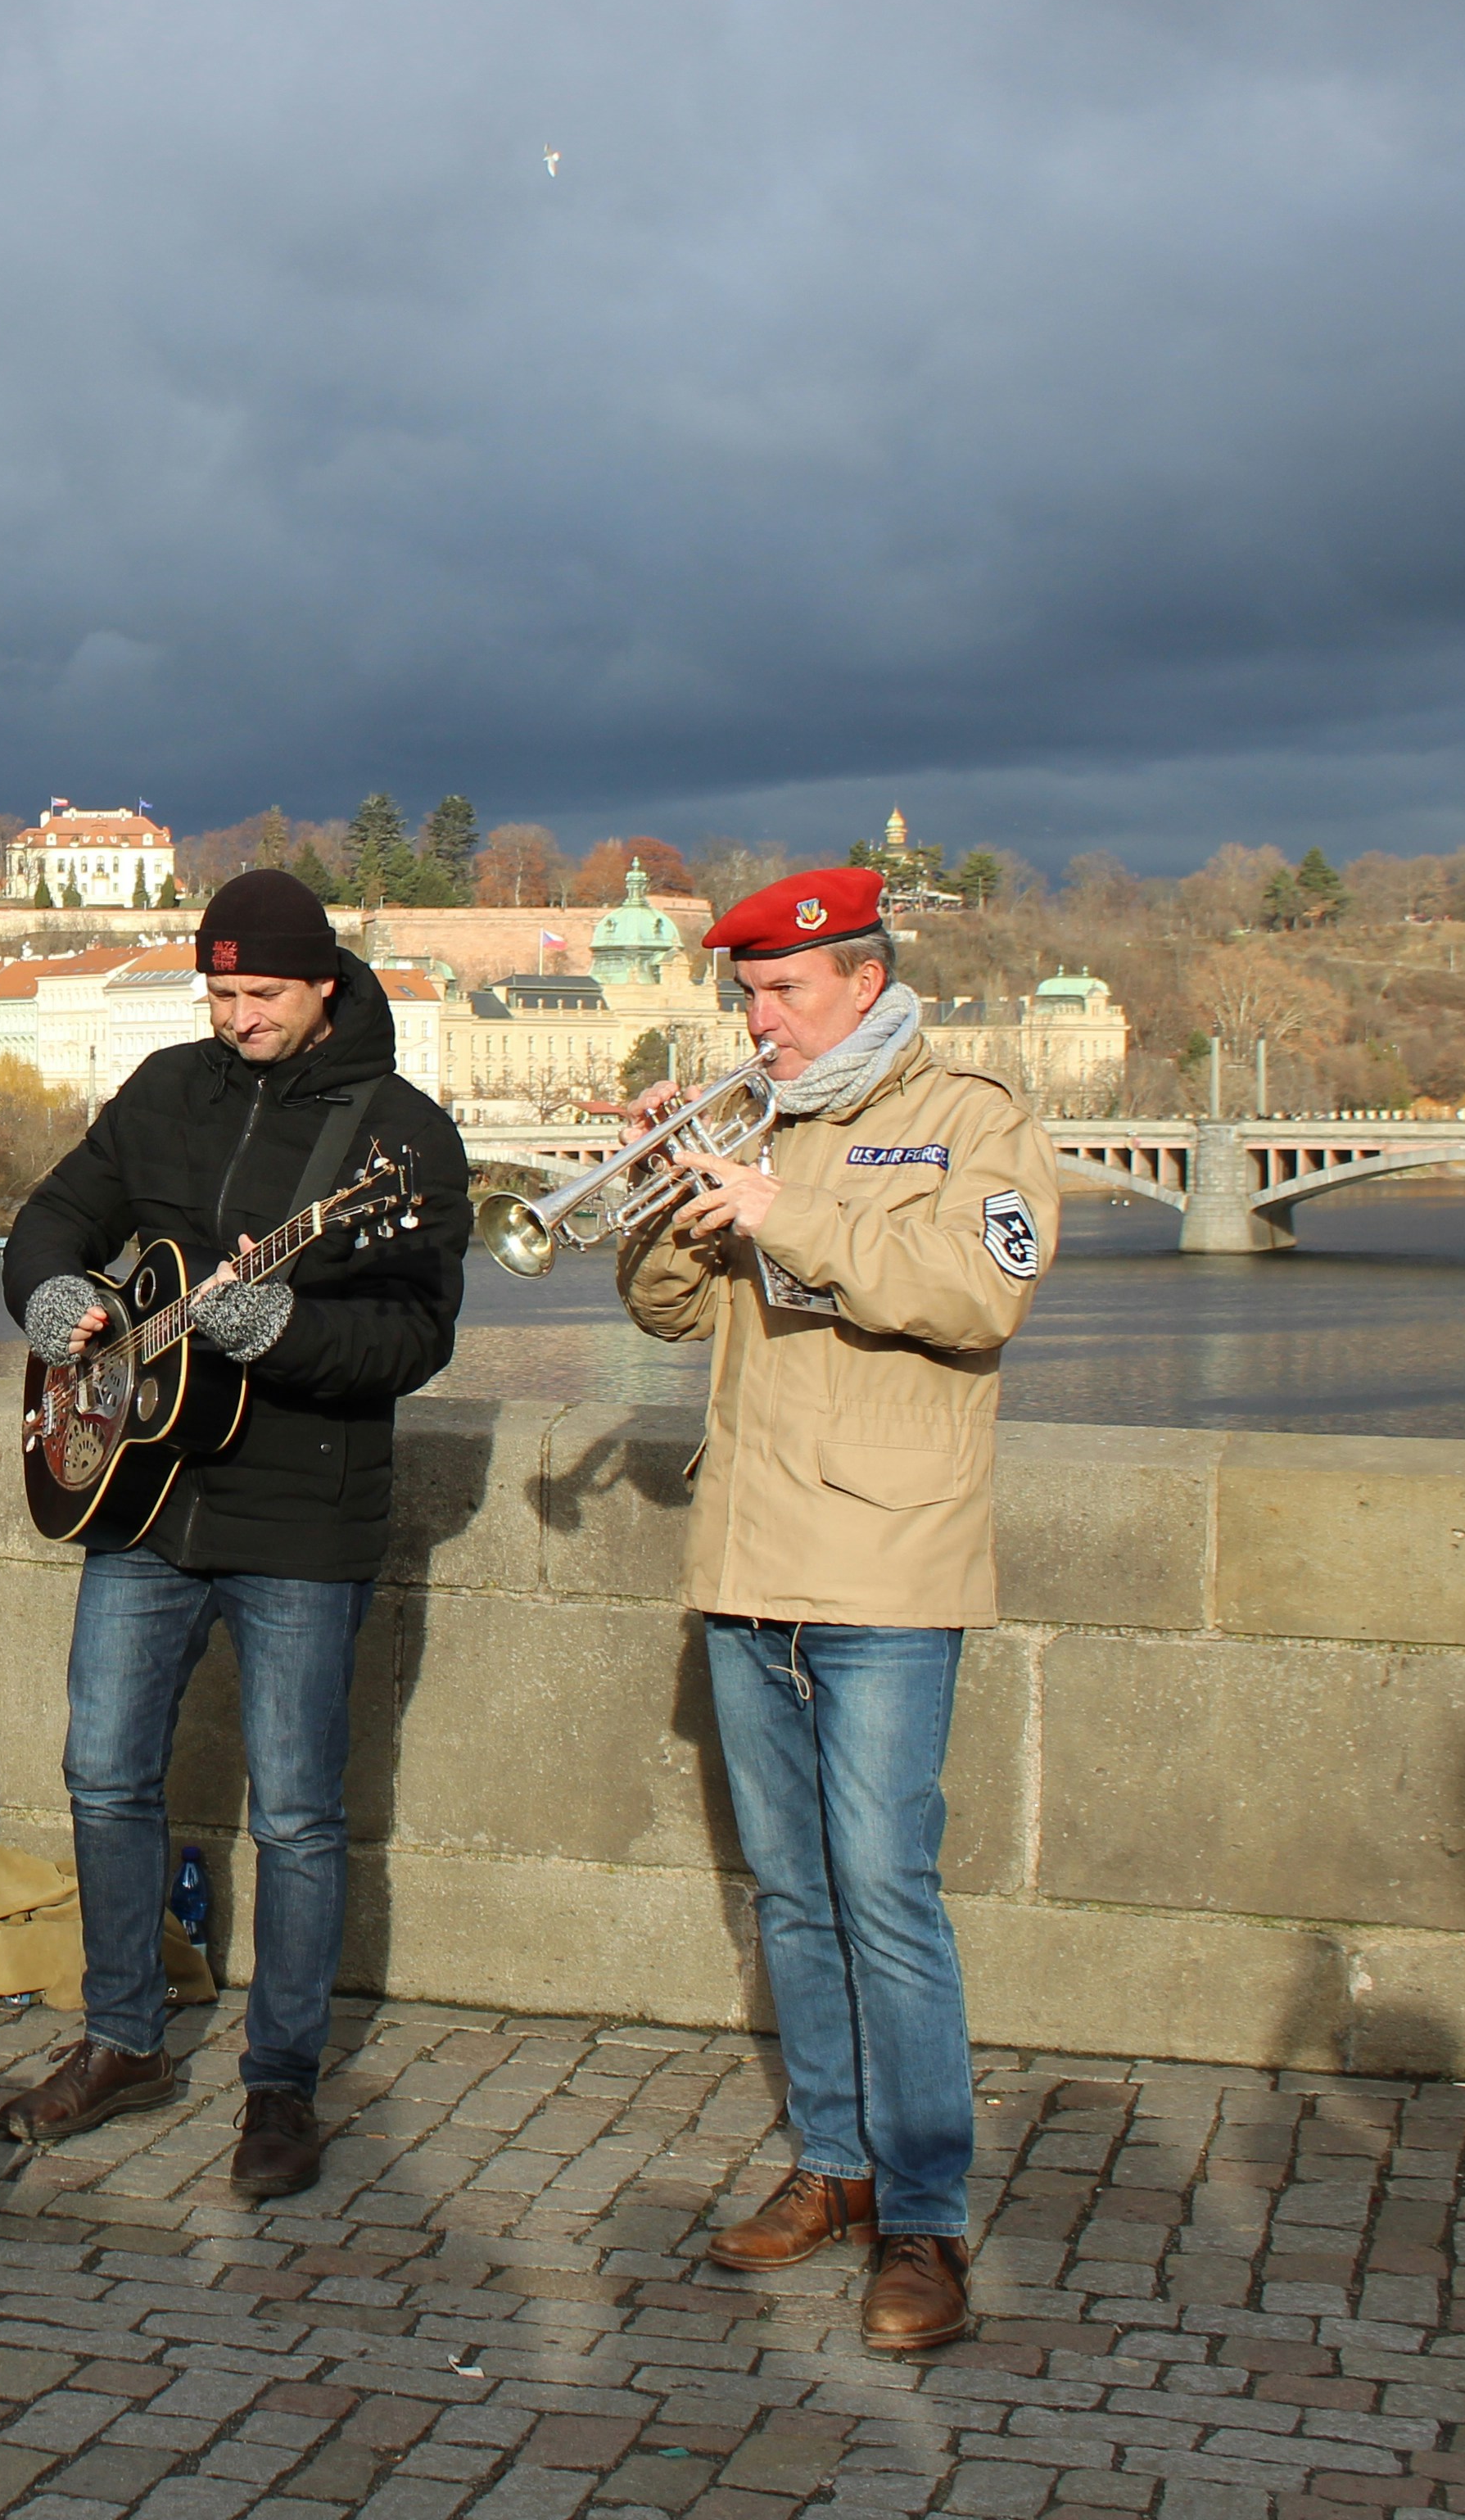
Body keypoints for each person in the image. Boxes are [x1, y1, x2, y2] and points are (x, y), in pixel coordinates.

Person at [617, 866, 1056, 2355]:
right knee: (791, 1898)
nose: (757, 1019)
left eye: (781, 993)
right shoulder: (750, 1119)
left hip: (885, 1566)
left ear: (860, 980)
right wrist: (667, 1203)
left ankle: (924, 2219)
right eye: (743, 995)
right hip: (746, 1560)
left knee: (885, 1895)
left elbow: (973, 1296)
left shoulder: (968, 1117)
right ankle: (832, 2165)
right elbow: (670, 1315)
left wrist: (785, 1210)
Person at [0, 870, 470, 2201]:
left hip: (299, 1513)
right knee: (100, 1770)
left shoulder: (399, 1146)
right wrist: (51, 1302)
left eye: (258, 993)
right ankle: (123, 2036)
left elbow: (416, 1335)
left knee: (300, 1812)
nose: (236, 1015)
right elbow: (52, 1214)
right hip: (141, 1500)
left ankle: (279, 2081)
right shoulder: (164, 1087)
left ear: (322, 984)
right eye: (217, 991)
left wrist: (287, 1332)